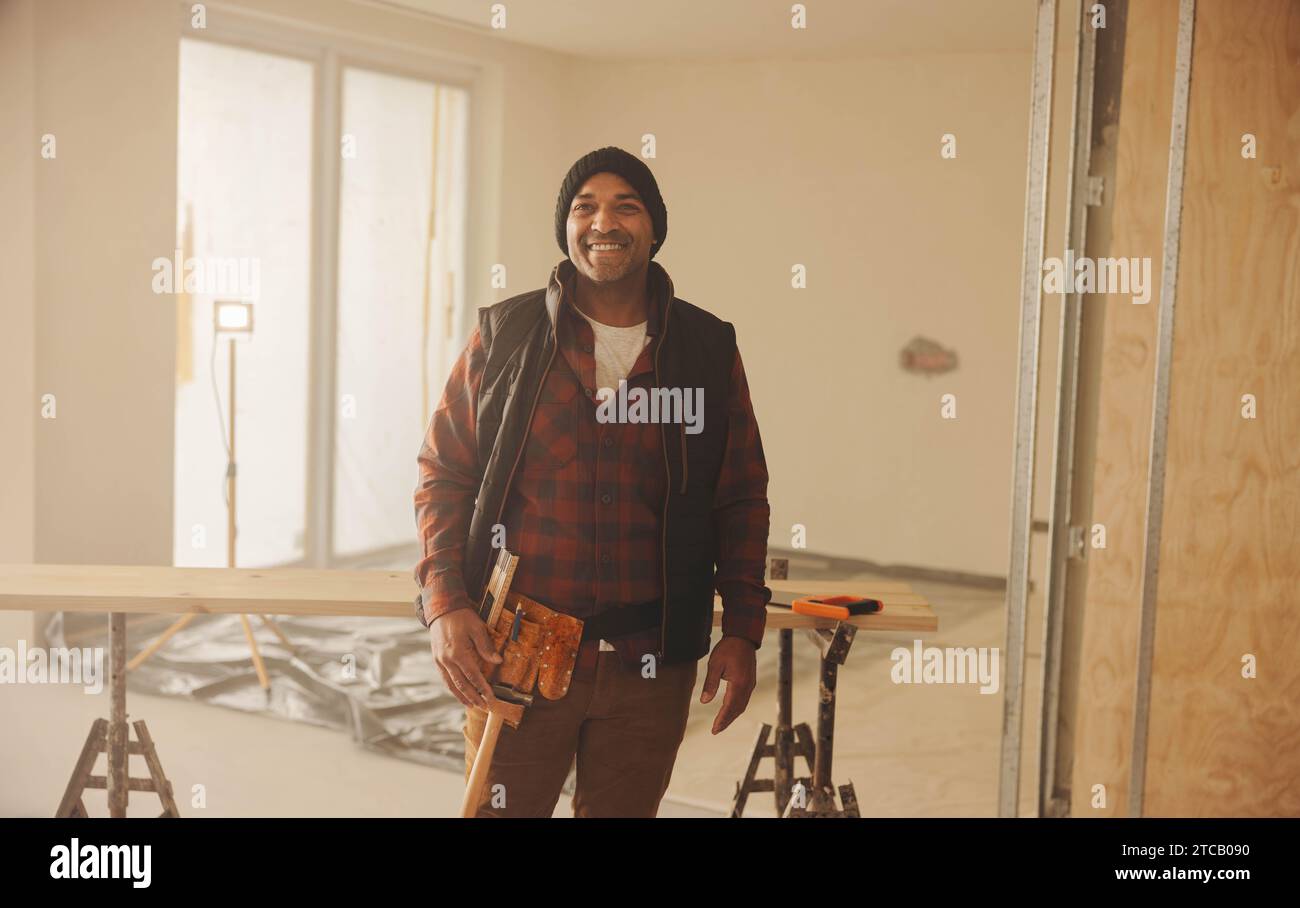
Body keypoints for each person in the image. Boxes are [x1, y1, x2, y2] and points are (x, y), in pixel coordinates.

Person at [413, 146, 771, 817]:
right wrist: (444, 602)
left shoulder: (705, 347)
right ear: (567, 229)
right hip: (515, 655)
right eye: (586, 207)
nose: (603, 221)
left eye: (625, 206)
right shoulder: (507, 335)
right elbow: (444, 472)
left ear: (654, 230)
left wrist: (742, 627)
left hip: (651, 664)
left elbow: (740, 495)